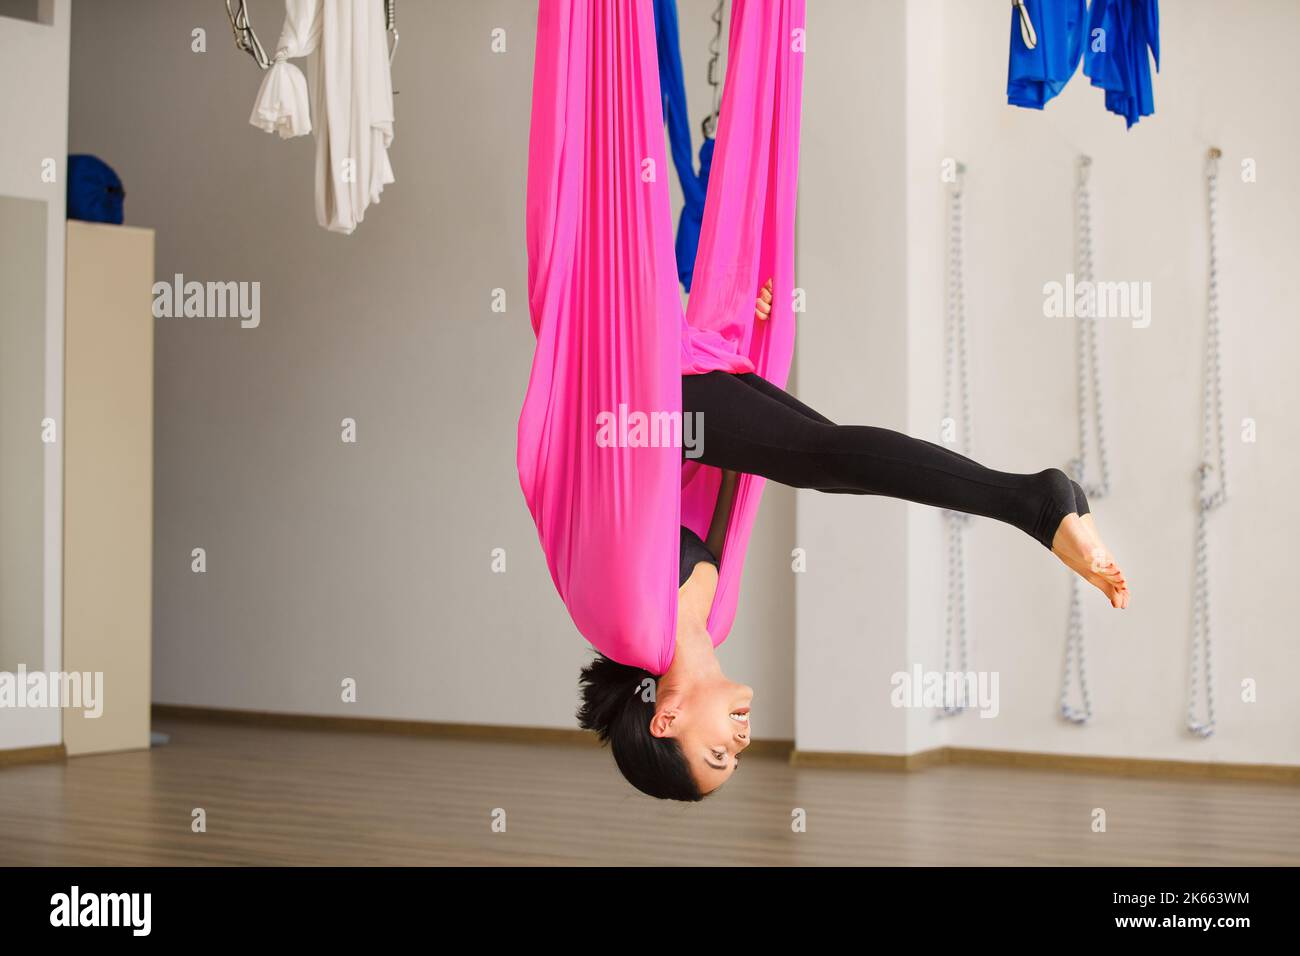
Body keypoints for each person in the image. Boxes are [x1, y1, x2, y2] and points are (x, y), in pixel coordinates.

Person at [578, 280, 1129, 802]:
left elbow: (615, 501)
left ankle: (1034, 504)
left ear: (666, 719)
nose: (740, 745)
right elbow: (728, 480)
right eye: (734, 760)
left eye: (717, 753)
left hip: (646, 410)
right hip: (687, 406)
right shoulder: (712, 618)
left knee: (823, 457)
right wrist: (733, 324)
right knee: (830, 462)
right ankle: (1040, 501)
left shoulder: (632, 625)